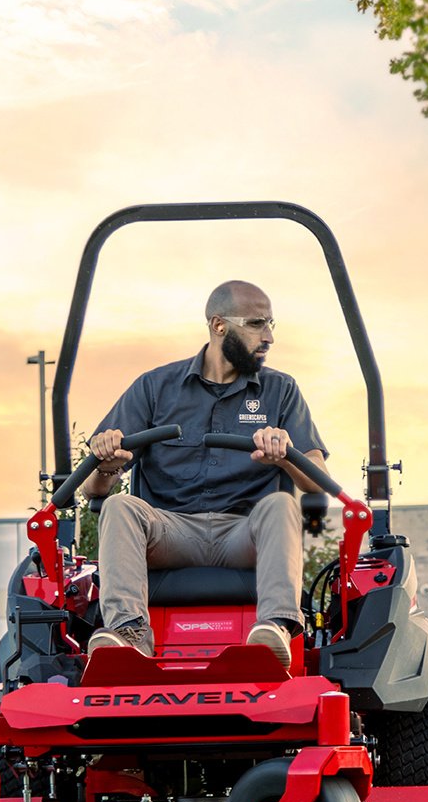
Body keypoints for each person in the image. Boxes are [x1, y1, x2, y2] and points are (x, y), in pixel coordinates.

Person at [78, 280, 328, 668]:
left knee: (281, 503)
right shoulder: (155, 387)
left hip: (244, 532)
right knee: (120, 506)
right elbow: (95, 488)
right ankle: (128, 636)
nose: (269, 337)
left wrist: (284, 456)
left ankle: (275, 629)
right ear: (219, 325)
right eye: (257, 323)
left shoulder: (281, 390)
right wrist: (107, 459)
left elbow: (318, 480)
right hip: (169, 532)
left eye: (271, 325)